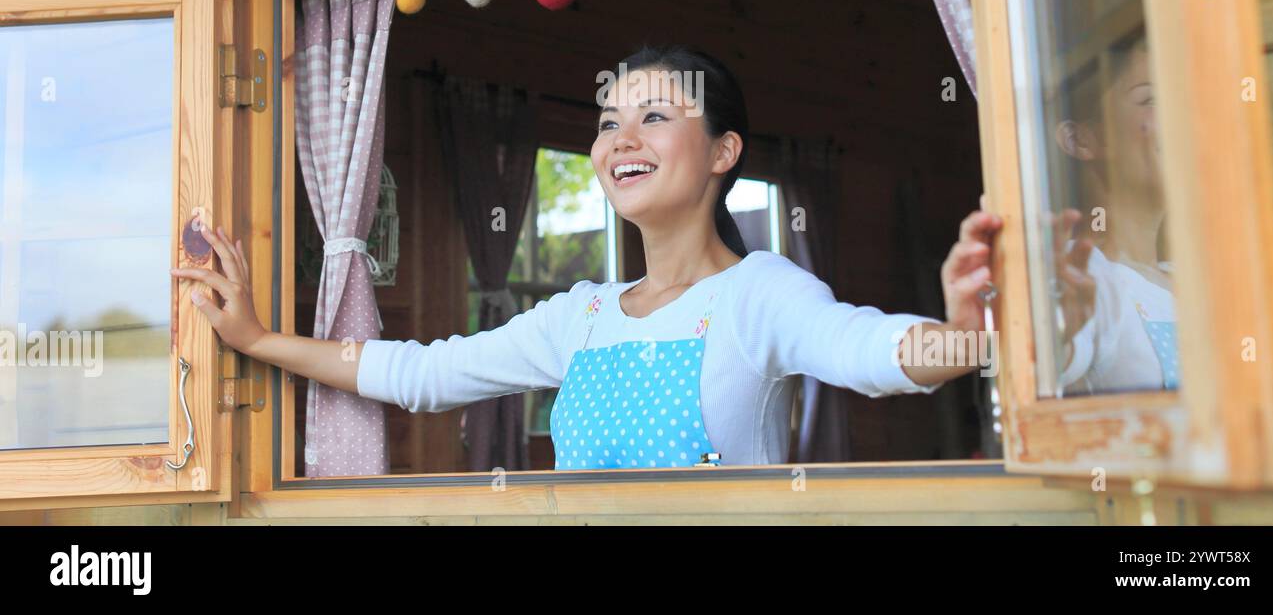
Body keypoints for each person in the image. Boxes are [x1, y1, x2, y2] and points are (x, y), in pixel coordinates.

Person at [174, 44, 1001, 469]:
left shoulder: (761, 292)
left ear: (723, 153)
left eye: (656, 116)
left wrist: (960, 336)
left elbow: (865, 350)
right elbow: (421, 374)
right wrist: (254, 341)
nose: (622, 138)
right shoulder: (581, 316)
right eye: (608, 122)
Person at [1050, 33, 1178, 394]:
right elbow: (1050, 359)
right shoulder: (1085, 280)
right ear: (1081, 141)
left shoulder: (1194, 282)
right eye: (1151, 98)